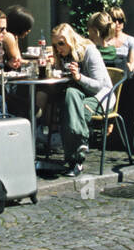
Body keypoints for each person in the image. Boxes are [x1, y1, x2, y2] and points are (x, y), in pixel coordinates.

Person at [47, 24, 112, 177]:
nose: (58, 49)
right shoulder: (63, 56)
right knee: (70, 96)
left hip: (101, 96)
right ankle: (80, 146)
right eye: (55, 46)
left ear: (71, 40)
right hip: (77, 95)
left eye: (61, 44)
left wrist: (79, 77)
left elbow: (99, 86)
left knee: (70, 112)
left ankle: (75, 160)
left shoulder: (89, 51)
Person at [107, 7, 134, 74]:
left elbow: (133, 61)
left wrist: (131, 66)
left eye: (120, 20)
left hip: (123, 74)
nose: (117, 23)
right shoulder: (103, 40)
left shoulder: (131, 41)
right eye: (114, 20)